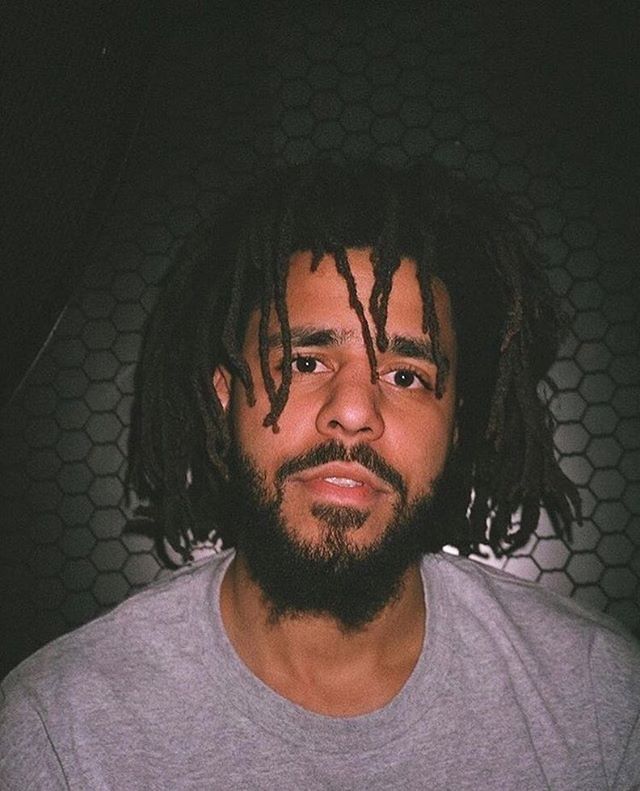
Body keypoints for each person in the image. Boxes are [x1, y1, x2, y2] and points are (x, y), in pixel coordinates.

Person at [1, 160, 638, 790]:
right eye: (306, 362)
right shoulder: (64, 728)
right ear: (226, 395)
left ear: (457, 425)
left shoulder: (597, 702)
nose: (354, 413)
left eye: (406, 376)